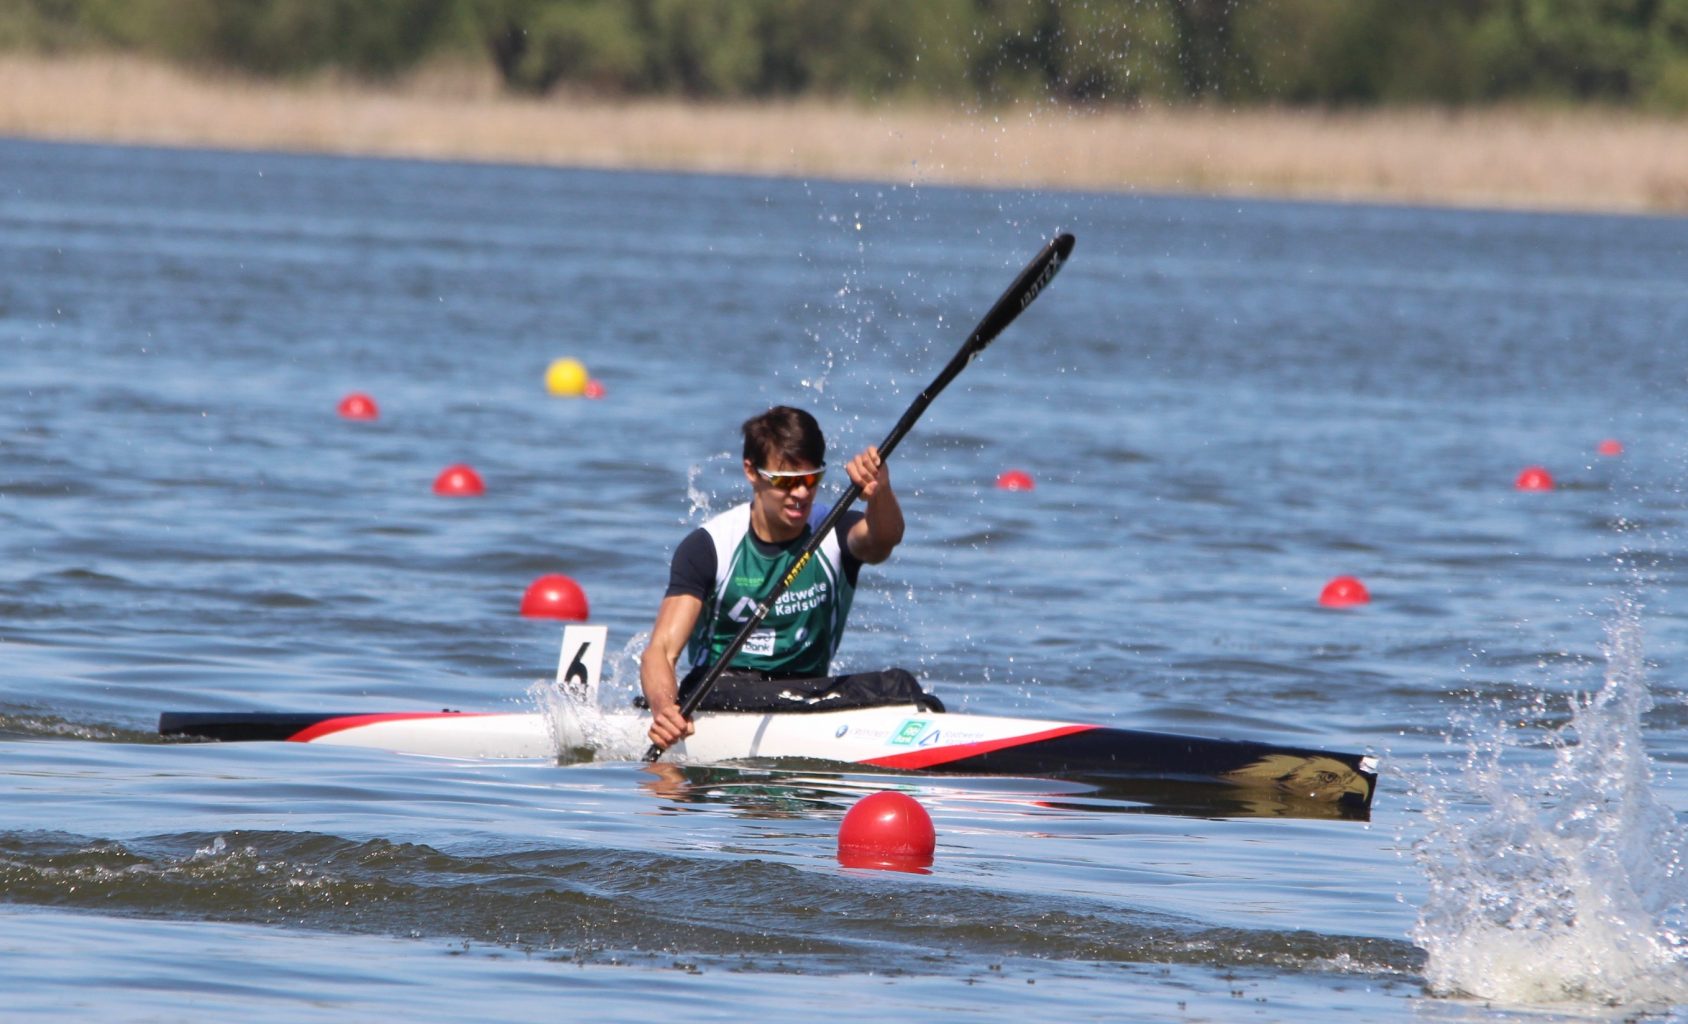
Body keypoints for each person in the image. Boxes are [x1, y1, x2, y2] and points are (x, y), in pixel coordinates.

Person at [640, 405, 941, 750]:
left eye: (811, 479)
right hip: (722, 691)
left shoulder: (833, 531)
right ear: (751, 472)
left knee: (899, 685)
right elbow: (660, 651)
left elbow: (883, 539)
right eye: (787, 481)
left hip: (809, 691)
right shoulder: (710, 547)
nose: (801, 494)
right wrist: (664, 709)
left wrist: (881, 490)